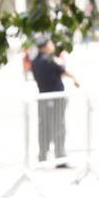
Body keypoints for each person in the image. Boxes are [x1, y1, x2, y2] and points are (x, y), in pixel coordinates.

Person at [30, 37, 80, 167]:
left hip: (43, 99)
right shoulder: (50, 60)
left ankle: (43, 157)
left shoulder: (35, 61)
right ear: (46, 46)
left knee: (44, 128)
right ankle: (60, 157)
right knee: (58, 128)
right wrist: (73, 77)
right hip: (55, 99)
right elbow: (63, 69)